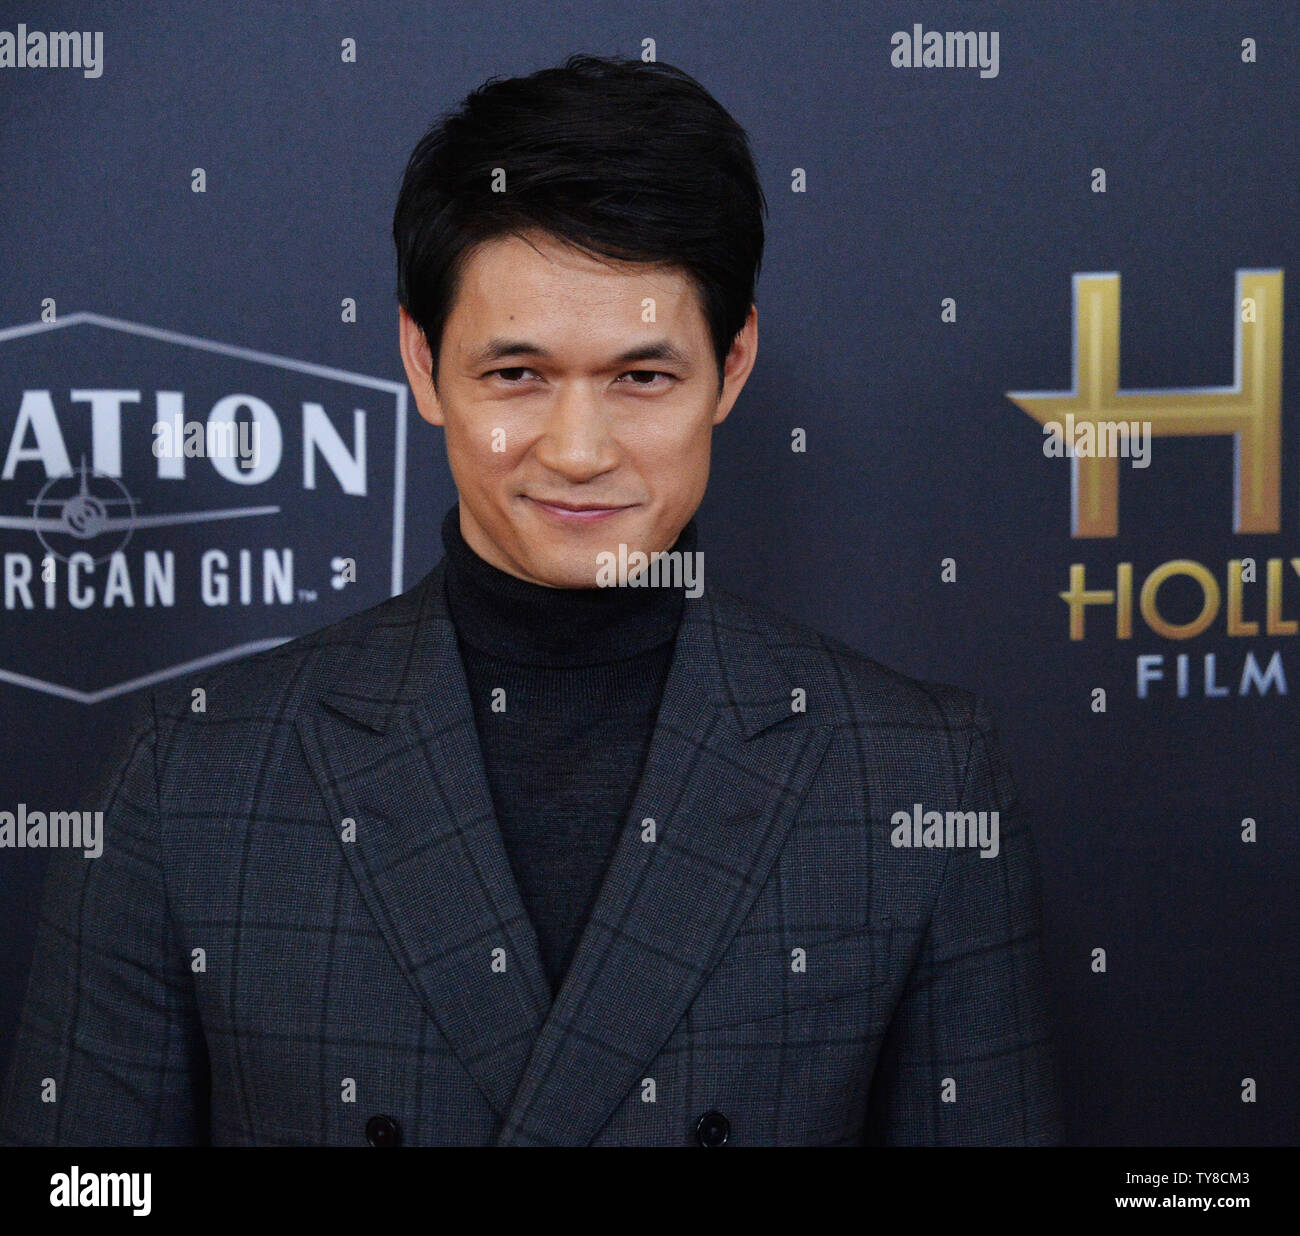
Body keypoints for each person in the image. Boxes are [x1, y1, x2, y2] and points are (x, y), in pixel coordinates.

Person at [1, 54, 1062, 1146]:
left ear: (732, 366)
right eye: (517, 376)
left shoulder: (912, 775)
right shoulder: (195, 775)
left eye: (640, 379)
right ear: (422, 365)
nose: (578, 451)